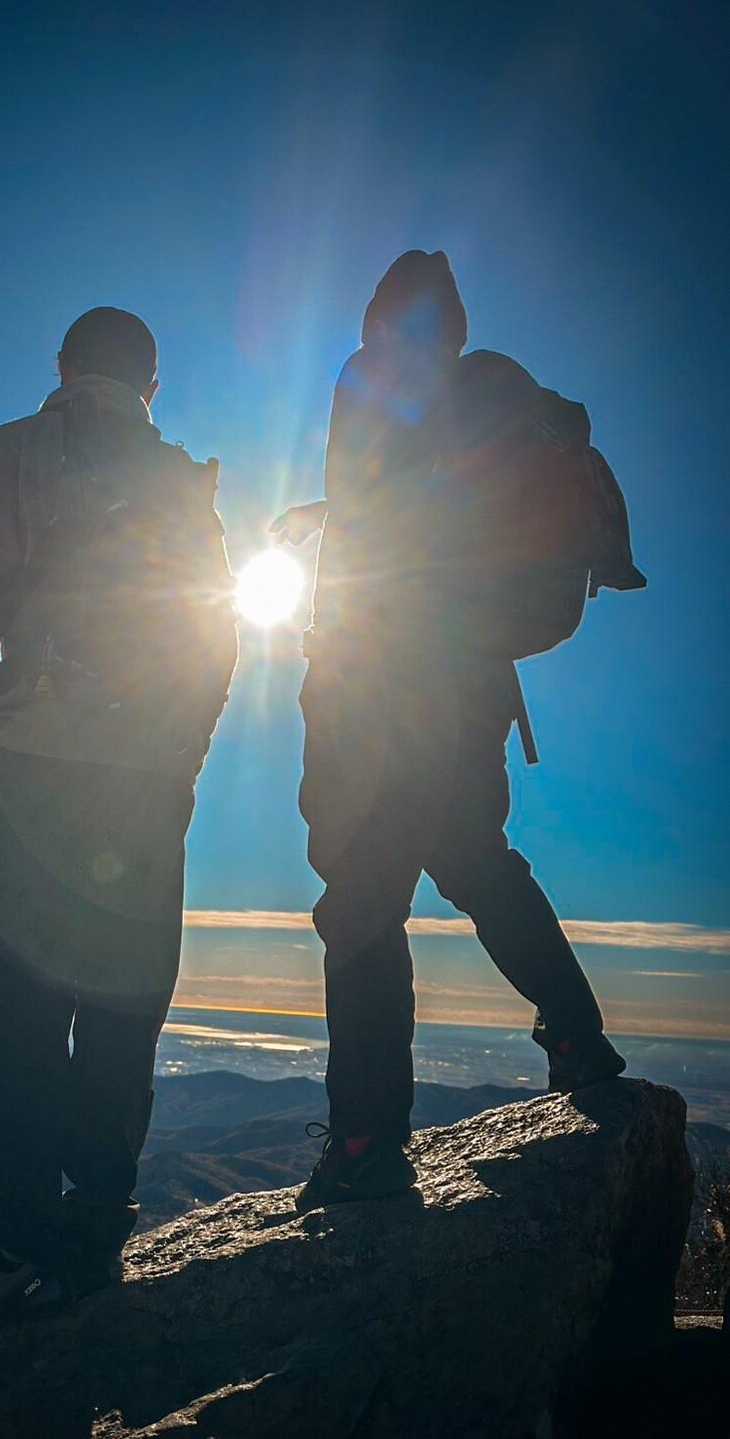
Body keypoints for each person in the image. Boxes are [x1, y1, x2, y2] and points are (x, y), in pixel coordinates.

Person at [272, 252, 637, 1215]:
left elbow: (383, 528)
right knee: (476, 860)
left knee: (360, 896)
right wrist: (330, 517)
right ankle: (578, 1041)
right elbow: (423, 518)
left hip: (382, 681)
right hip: (473, 684)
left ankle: (364, 1142)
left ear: (379, 319)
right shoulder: (497, 390)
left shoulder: (372, 374)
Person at [0, 307, 237, 1325]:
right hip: (144, 781)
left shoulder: (16, 450)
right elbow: (216, 634)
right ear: (152, 386)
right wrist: (178, 759)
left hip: (31, 762)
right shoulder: (184, 484)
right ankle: (96, 1235)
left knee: (16, 1006)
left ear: (62, 367)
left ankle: (16, 1252)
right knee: (120, 1003)